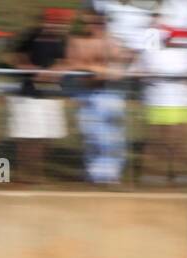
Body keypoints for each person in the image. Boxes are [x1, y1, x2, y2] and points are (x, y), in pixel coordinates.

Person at [7, 8, 74, 183]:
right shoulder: (31, 36)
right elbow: (15, 55)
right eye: (50, 21)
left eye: (57, 22)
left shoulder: (62, 39)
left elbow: (68, 61)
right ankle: (24, 173)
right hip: (29, 93)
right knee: (28, 135)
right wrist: (29, 68)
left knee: (47, 136)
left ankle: (37, 172)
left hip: (50, 93)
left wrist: (56, 71)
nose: (53, 25)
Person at [67, 10, 129, 185]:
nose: (95, 26)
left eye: (100, 23)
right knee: (91, 135)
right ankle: (93, 173)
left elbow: (118, 72)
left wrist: (95, 69)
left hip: (110, 95)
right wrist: (99, 69)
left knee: (112, 138)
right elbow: (75, 65)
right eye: (92, 22)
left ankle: (111, 174)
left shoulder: (113, 42)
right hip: (86, 94)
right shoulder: (78, 41)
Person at [137, 26, 187, 184]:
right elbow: (139, 73)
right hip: (159, 102)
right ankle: (153, 174)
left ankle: (185, 174)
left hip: (184, 103)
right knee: (157, 141)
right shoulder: (151, 52)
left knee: (183, 141)